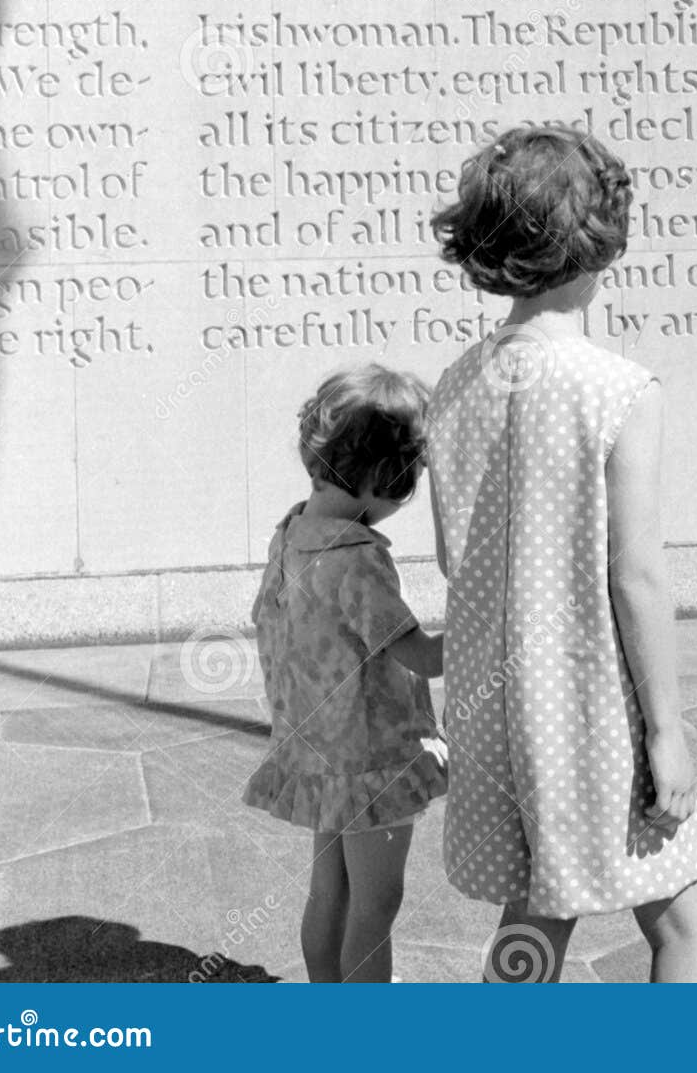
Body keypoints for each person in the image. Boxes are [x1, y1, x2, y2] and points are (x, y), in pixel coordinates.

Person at [426, 122, 697, 983]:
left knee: (535, 915)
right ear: (603, 241)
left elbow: (458, 560)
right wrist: (667, 731)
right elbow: (636, 577)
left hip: (494, 704)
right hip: (596, 707)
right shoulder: (618, 388)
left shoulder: (455, 382)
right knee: (685, 919)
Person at [244, 365, 447, 982]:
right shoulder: (357, 559)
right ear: (389, 477)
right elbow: (418, 655)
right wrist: (489, 624)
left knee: (327, 891)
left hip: (317, 751)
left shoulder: (293, 533)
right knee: (376, 904)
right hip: (371, 761)